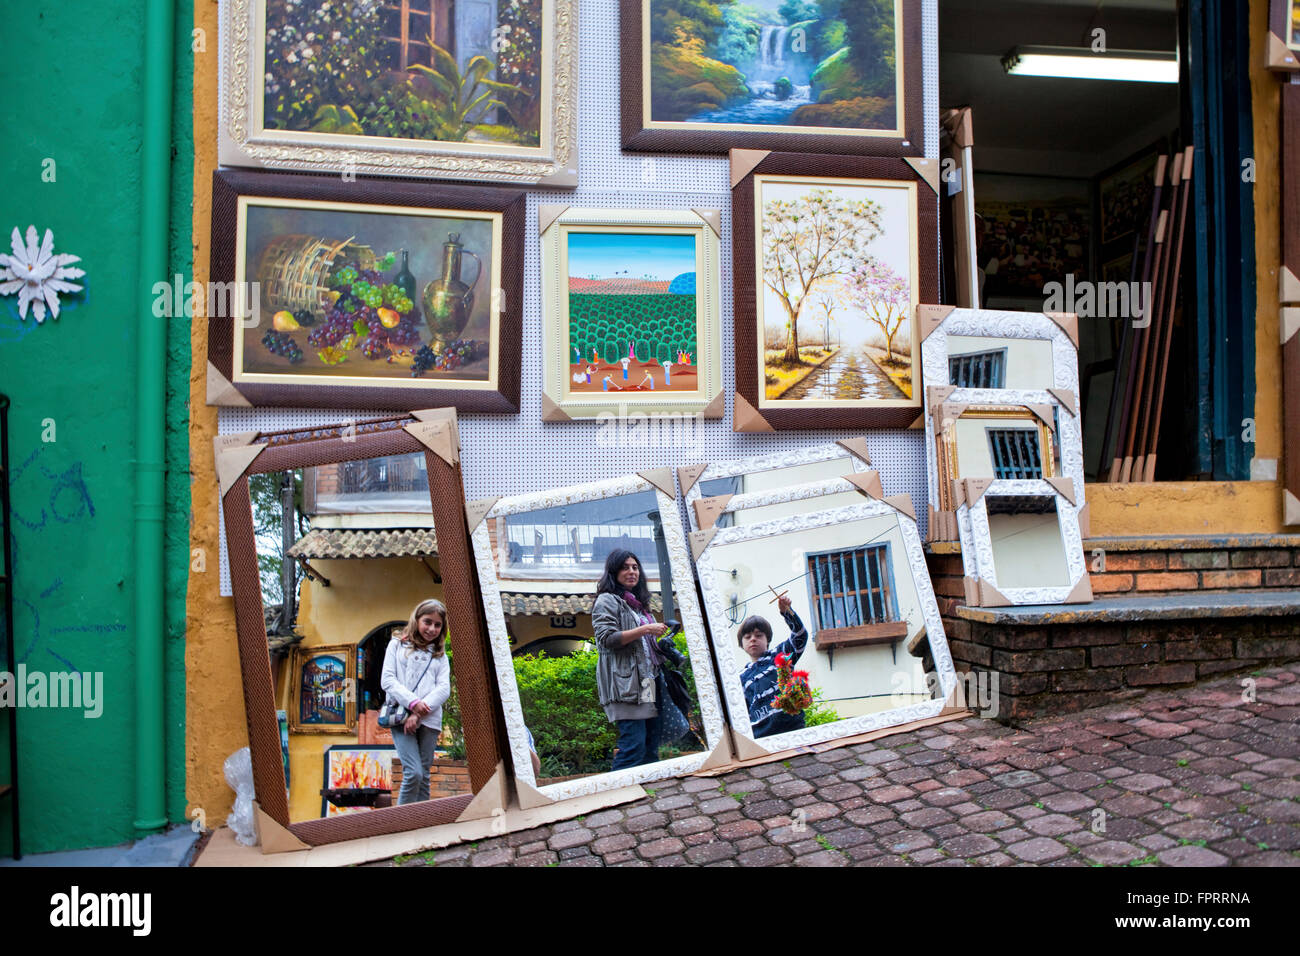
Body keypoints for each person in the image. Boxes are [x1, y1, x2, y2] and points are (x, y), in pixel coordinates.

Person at [591, 549, 667, 770]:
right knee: (633, 747)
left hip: (647, 680)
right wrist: (645, 629)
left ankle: (650, 796)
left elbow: (642, 647)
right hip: (624, 683)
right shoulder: (607, 601)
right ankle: (618, 796)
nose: (631, 571)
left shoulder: (637, 604)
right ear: (613, 572)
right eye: (625, 567)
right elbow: (606, 639)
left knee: (650, 746)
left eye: (635, 567)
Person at [381, 598, 452, 805]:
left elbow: (443, 688)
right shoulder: (396, 645)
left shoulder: (440, 655)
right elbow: (387, 679)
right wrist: (413, 704)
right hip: (399, 715)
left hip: (429, 719)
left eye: (437, 625)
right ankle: (402, 822)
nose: (432, 628)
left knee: (424, 777)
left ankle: (424, 824)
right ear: (417, 619)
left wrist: (419, 713)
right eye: (427, 622)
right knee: (413, 773)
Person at [737, 594, 810, 738]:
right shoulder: (740, 677)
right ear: (741, 644)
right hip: (761, 736)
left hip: (792, 727)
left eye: (758, 635)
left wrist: (787, 612)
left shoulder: (779, 655)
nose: (753, 639)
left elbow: (800, 636)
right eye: (747, 637)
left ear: (767, 639)